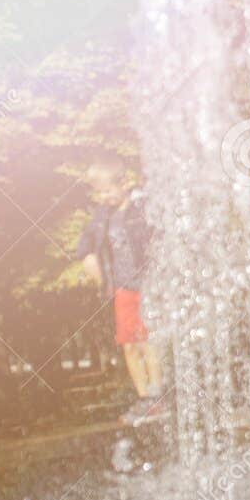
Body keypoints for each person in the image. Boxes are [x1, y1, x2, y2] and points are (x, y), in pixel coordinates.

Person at [77, 154, 166, 425]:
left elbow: (162, 233)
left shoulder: (141, 206)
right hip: (123, 288)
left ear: (124, 183)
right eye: (99, 193)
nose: (104, 197)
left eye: (108, 191)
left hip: (148, 286)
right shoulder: (103, 215)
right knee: (129, 345)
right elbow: (87, 238)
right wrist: (86, 255)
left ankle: (157, 398)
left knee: (147, 341)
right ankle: (143, 399)